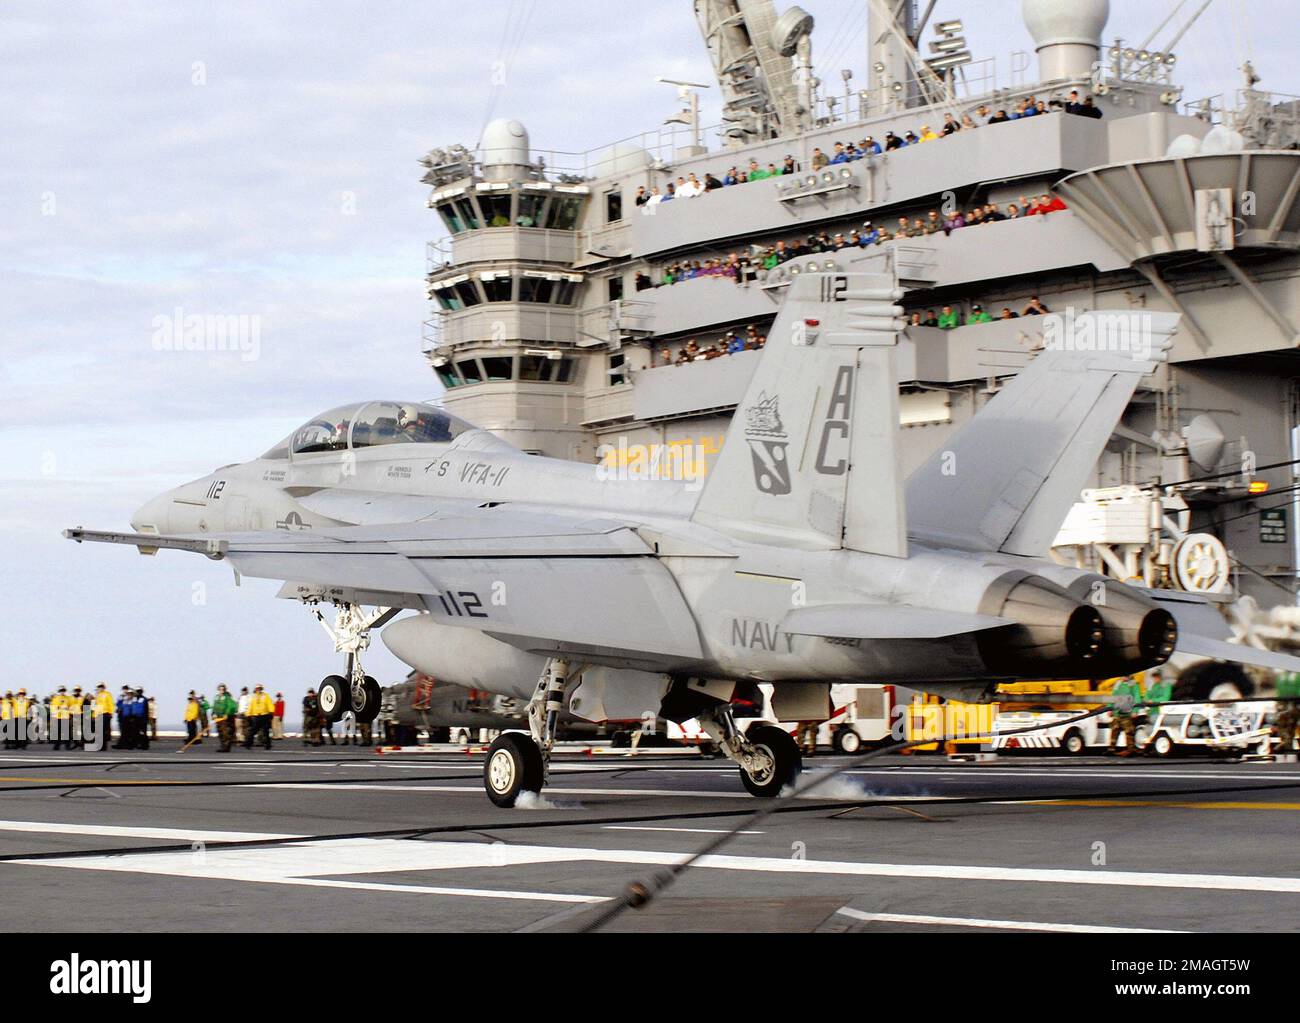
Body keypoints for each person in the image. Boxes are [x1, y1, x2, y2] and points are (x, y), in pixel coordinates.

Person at [1107, 676, 1143, 756]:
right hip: (1117, 712)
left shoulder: (1133, 685)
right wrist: (1110, 708)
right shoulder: (1118, 684)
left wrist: (1135, 710)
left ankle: (1131, 749)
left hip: (1127, 712)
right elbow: (1113, 696)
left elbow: (1137, 698)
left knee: (1129, 731)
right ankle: (1111, 749)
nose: (1122, 678)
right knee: (1114, 730)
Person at [1276, 672, 1300, 754]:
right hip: (1292, 704)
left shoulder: (1282, 676)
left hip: (1287, 705)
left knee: (1287, 731)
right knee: (1288, 731)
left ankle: (1287, 748)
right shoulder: (1292, 676)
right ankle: (1288, 749)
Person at [245, 685, 274, 750]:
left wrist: (271, 712)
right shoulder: (253, 697)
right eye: (257, 688)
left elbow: (269, 704)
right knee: (253, 731)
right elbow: (250, 706)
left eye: (259, 688)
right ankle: (248, 744)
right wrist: (248, 714)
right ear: (255, 689)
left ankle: (267, 745)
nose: (258, 689)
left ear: (261, 689)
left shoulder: (265, 696)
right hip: (255, 716)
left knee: (266, 731)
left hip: (264, 715)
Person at [212, 684, 238, 753]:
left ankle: (226, 747)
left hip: (224, 718)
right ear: (218, 689)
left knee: (225, 733)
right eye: (220, 689)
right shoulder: (216, 697)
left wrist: (226, 713)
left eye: (223, 689)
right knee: (220, 732)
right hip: (218, 718)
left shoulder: (227, 697)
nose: (222, 690)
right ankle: (222, 746)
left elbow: (231, 706)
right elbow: (214, 706)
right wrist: (213, 713)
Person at [91, 683, 114, 751]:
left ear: (104, 687)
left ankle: (103, 746)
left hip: (105, 713)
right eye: (99, 687)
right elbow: (93, 707)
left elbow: (111, 704)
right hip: (98, 714)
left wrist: (111, 713)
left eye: (101, 687)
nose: (100, 688)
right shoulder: (96, 695)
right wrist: (93, 715)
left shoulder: (107, 694)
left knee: (103, 730)